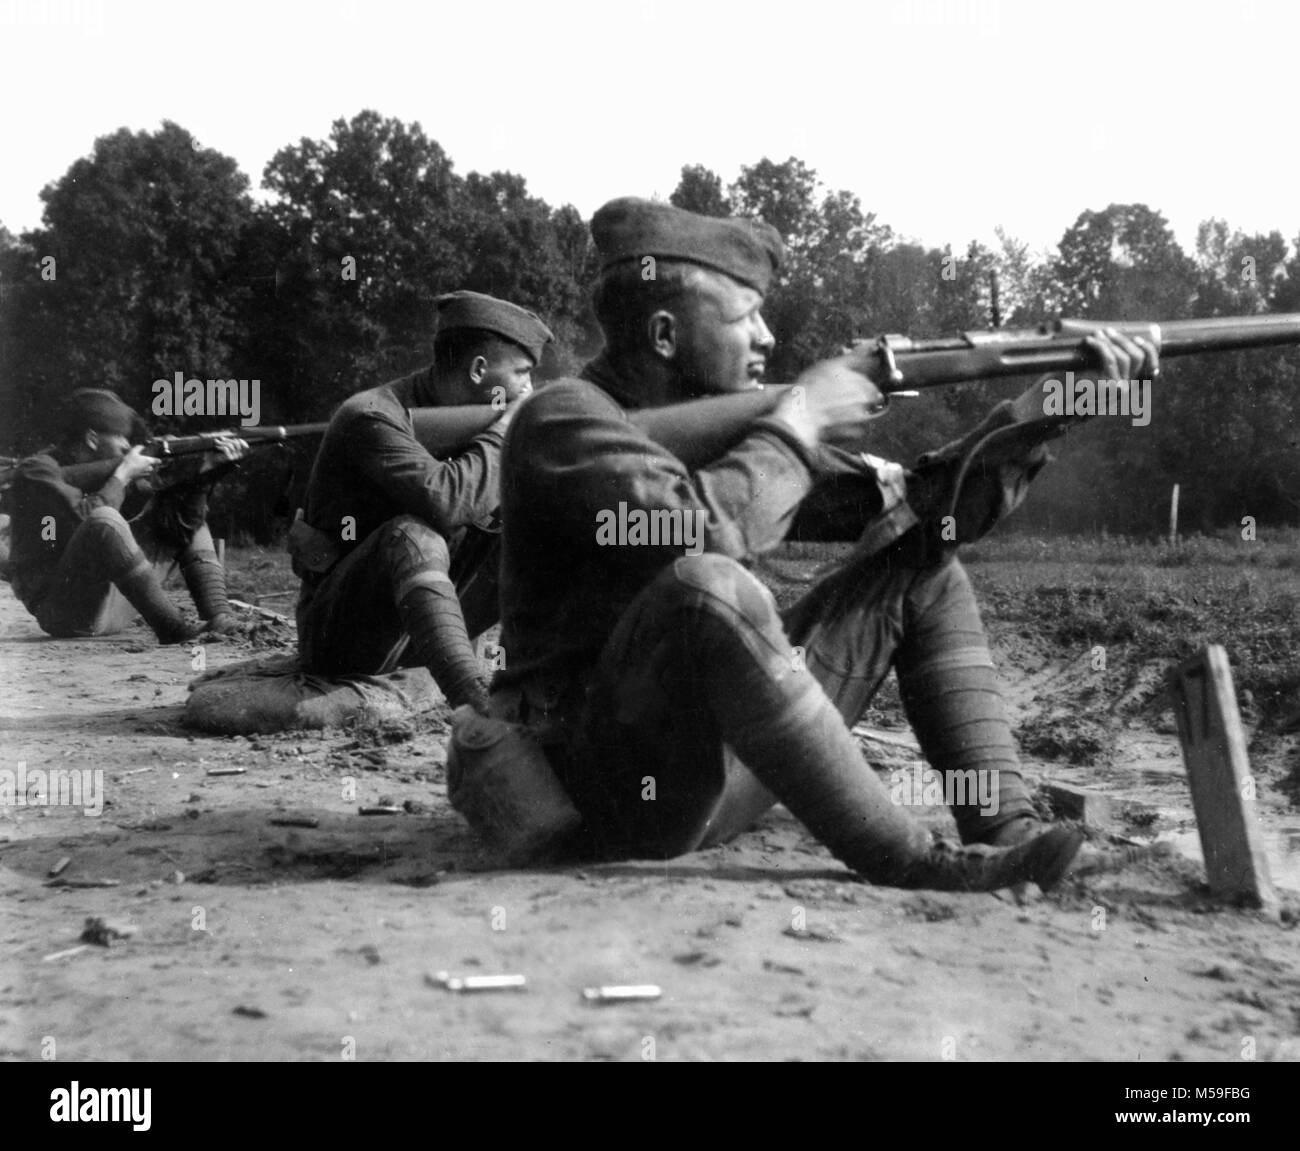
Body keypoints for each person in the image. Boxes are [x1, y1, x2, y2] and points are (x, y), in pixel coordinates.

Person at [489, 197, 1159, 892]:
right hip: (610, 793)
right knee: (708, 588)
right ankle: (914, 858)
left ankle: (1005, 829)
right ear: (665, 332)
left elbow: (925, 512)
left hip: (718, 776)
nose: (768, 337)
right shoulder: (558, 419)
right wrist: (799, 420)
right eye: (744, 315)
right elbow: (703, 532)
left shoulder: (742, 435)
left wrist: (1036, 420)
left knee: (922, 569)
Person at [291, 290, 553, 715]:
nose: (529, 388)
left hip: (423, 626)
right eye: (522, 373)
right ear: (478, 369)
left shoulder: (468, 419)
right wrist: (508, 431)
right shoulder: (371, 415)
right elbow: (445, 499)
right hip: (341, 639)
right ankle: (473, 701)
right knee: (412, 536)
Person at [6, 388, 245, 643]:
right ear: (92, 438)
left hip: (112, 606)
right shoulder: (36, 471)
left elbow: (176, 527)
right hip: (65, 613)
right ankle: (174, 630)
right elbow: (89, 521)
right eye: (120, 437)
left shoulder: (107, 473)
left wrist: (207, 474)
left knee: (176, 513)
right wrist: (123, 475)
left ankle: (220, 615)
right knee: (105, 519)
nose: (127, 446)